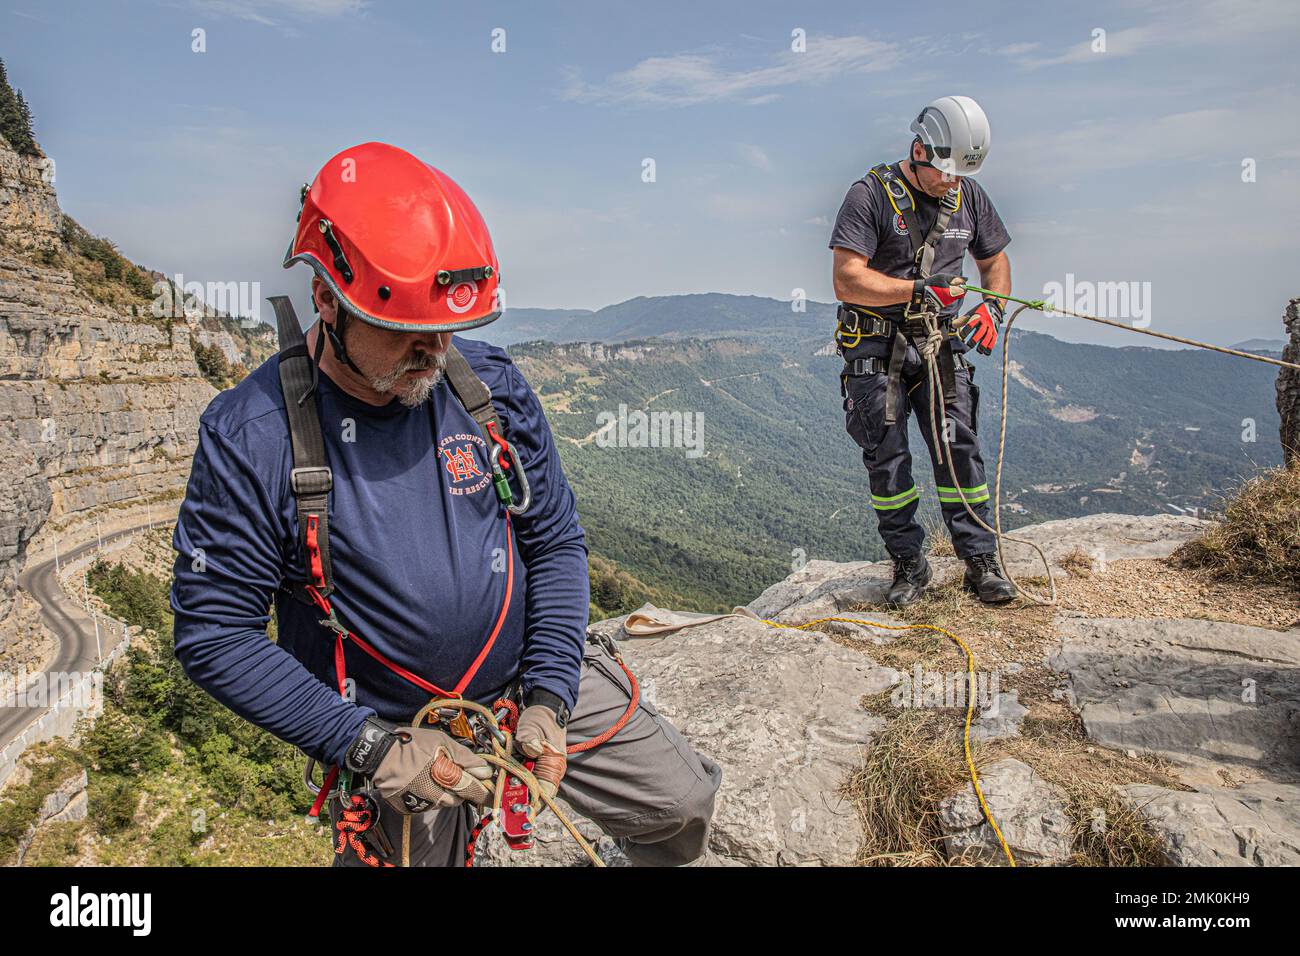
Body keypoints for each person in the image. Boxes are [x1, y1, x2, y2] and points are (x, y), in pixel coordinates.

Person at [170, 142, 721, 866]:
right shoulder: (254, 436)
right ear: (328, 298)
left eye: (448, 328)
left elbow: (552, 542)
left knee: (679, 805)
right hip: (401, 733)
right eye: (405, 332)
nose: (434, 351)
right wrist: (369, 746)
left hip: (530, 682)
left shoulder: (484, 390)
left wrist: (550, 697)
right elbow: (214, 632)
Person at [829, 95, 1018, 607]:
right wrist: (916, 291)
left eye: (960, 174)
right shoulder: (870, 195)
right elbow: (847, 279)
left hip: (939, 346)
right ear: (919, 150)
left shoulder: (968, 197)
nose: (951, 183)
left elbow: (995, 262)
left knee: (959, 451)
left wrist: (991, 309)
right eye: (944, 173)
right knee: (888, 463)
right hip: (877, 347)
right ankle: (909, 565)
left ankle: (980, 561)